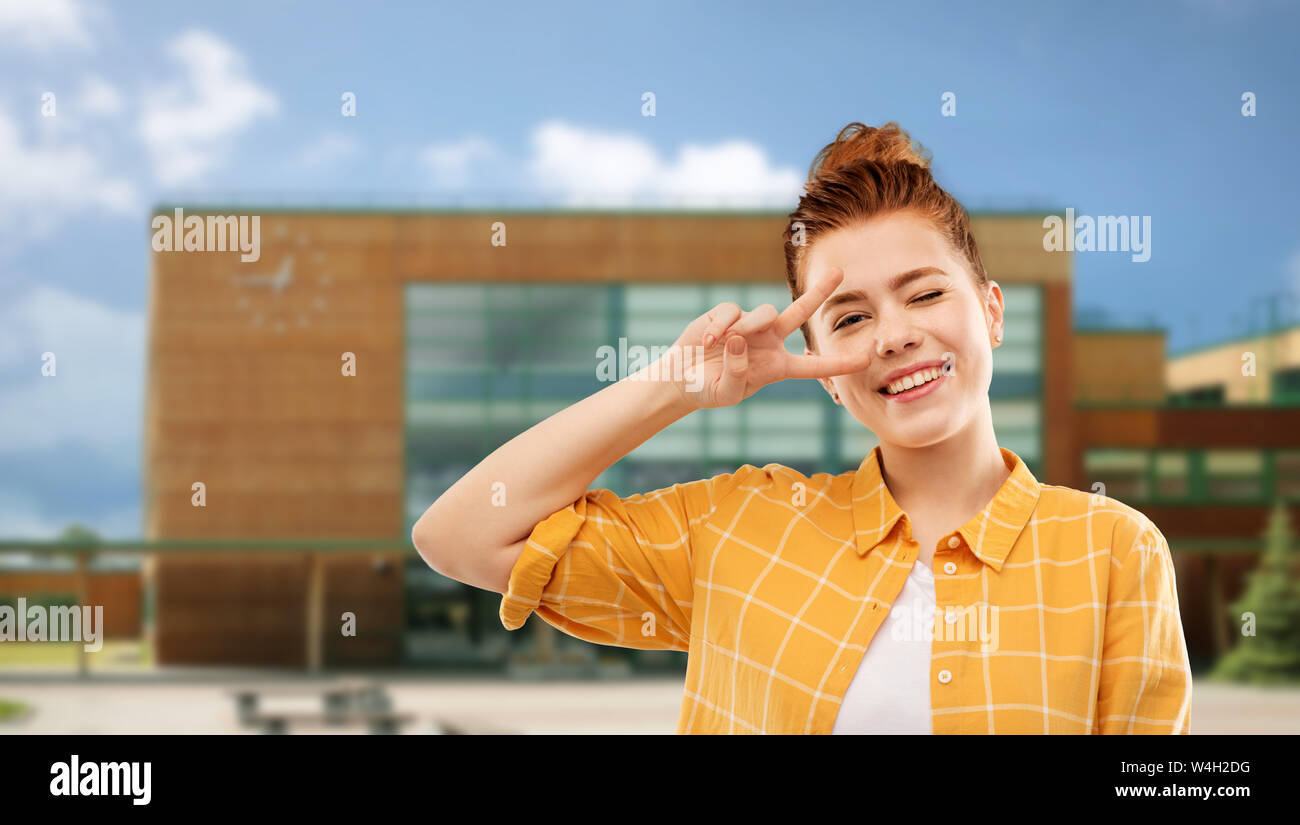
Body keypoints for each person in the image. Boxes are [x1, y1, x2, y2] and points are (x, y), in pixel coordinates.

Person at [411, 121, 1193, 735]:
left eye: (923, 295)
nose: (893, 336)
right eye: (850, 317)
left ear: (990, 311)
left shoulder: (1114, 551)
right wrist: (676, 387)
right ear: (818, 366)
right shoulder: (741, 530)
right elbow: (460, 534)